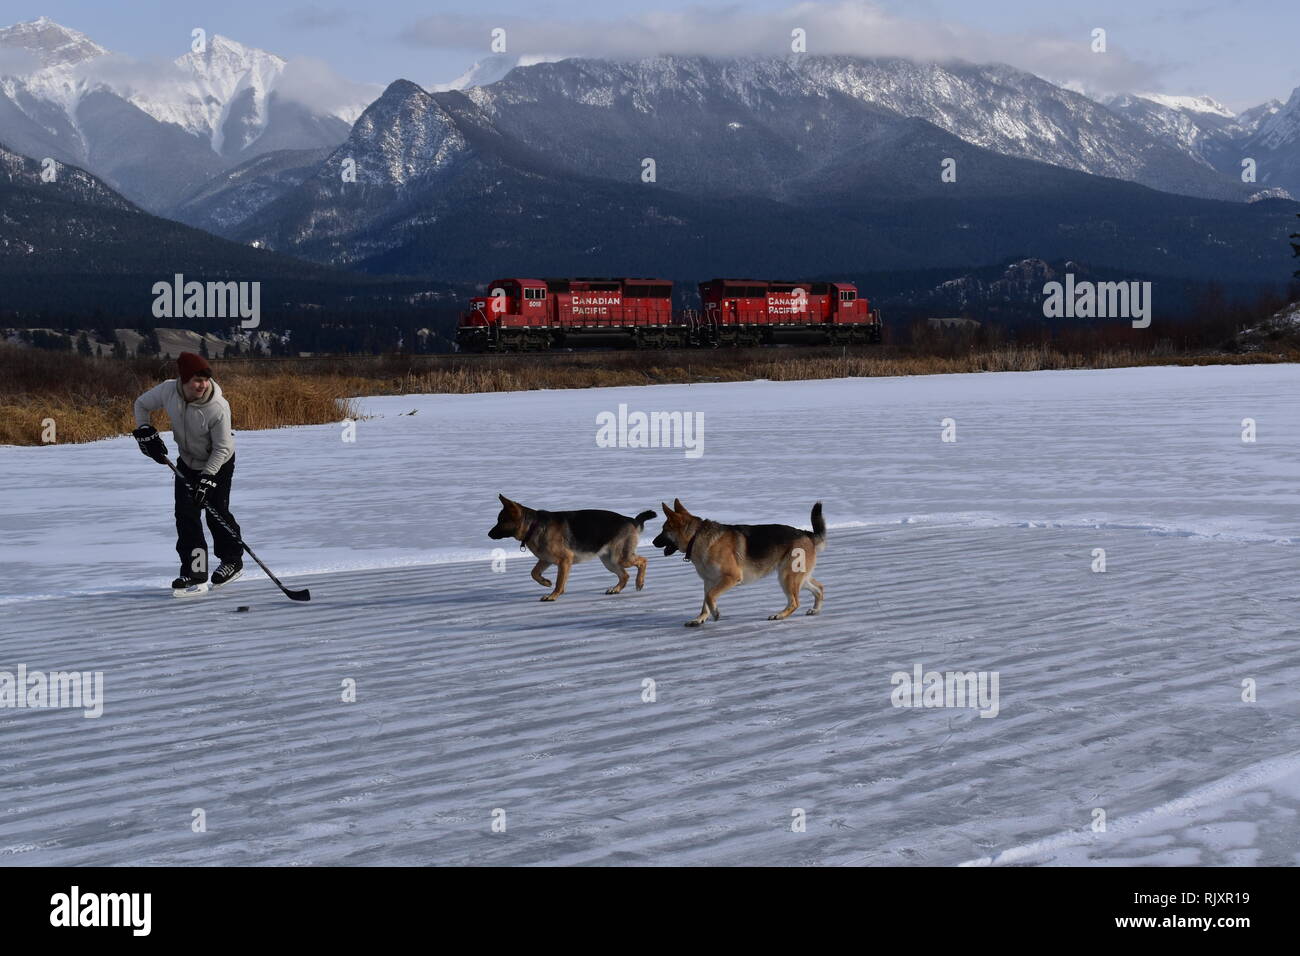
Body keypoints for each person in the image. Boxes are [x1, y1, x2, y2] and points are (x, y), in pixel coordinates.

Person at [131, 351, 242, 591]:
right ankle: (196, 571)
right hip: (187, 463)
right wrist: (145, 431)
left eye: (205, 379)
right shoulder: (168, 390)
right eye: (196, 380)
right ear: (183, 380)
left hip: (218, 463)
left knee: (217, 513)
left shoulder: (218, 407)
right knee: (186, 517)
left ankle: (232, 560)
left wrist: (207, 478)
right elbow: (141, 404)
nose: (202, 385)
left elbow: (222, 447)